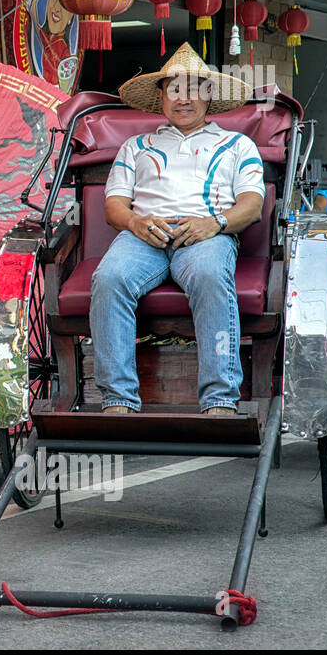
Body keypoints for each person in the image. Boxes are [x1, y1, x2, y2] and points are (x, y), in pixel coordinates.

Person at [91, 43, 265, 416]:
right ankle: (117, 398)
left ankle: (220, 398)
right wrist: (136, 221)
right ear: (161, 96)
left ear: (208, 95)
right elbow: (113, 206)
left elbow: (251, 206)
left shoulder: (238, 145)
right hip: (143, 234)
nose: (182, 99)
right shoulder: (136, 146)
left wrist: (214, 223)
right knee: (108, 278)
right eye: (173, 89)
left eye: (192, 89)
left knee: (208, 274)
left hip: (207, 233)